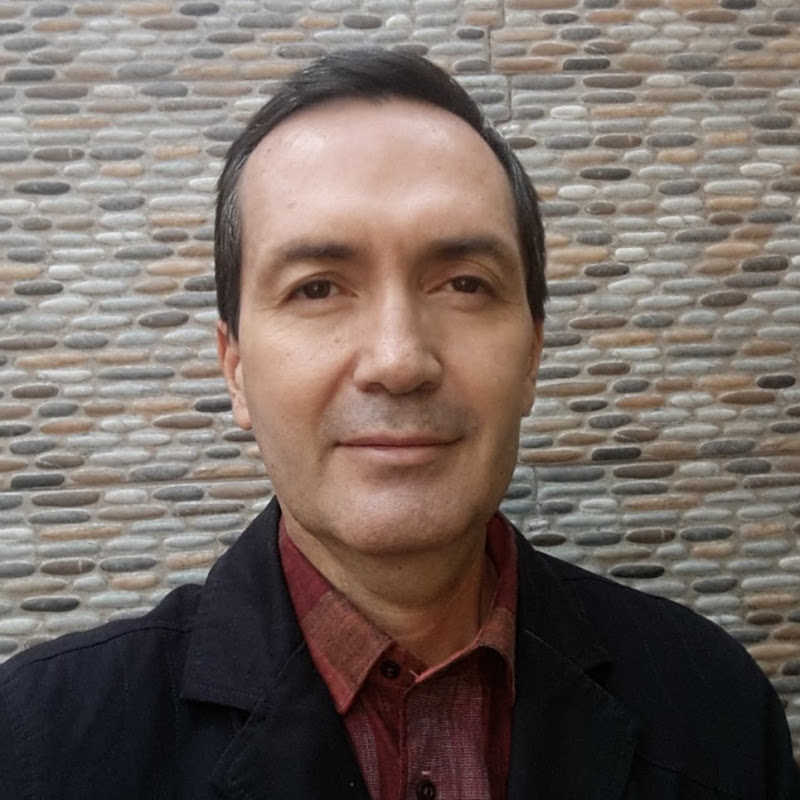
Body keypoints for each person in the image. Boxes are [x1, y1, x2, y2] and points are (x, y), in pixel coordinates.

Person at [0, 48, 796, 800]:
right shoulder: (41, 745)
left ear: (531, 355)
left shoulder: (716, 712)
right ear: (235, 368)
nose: (398, 359)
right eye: (318, 288)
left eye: (464, 283)